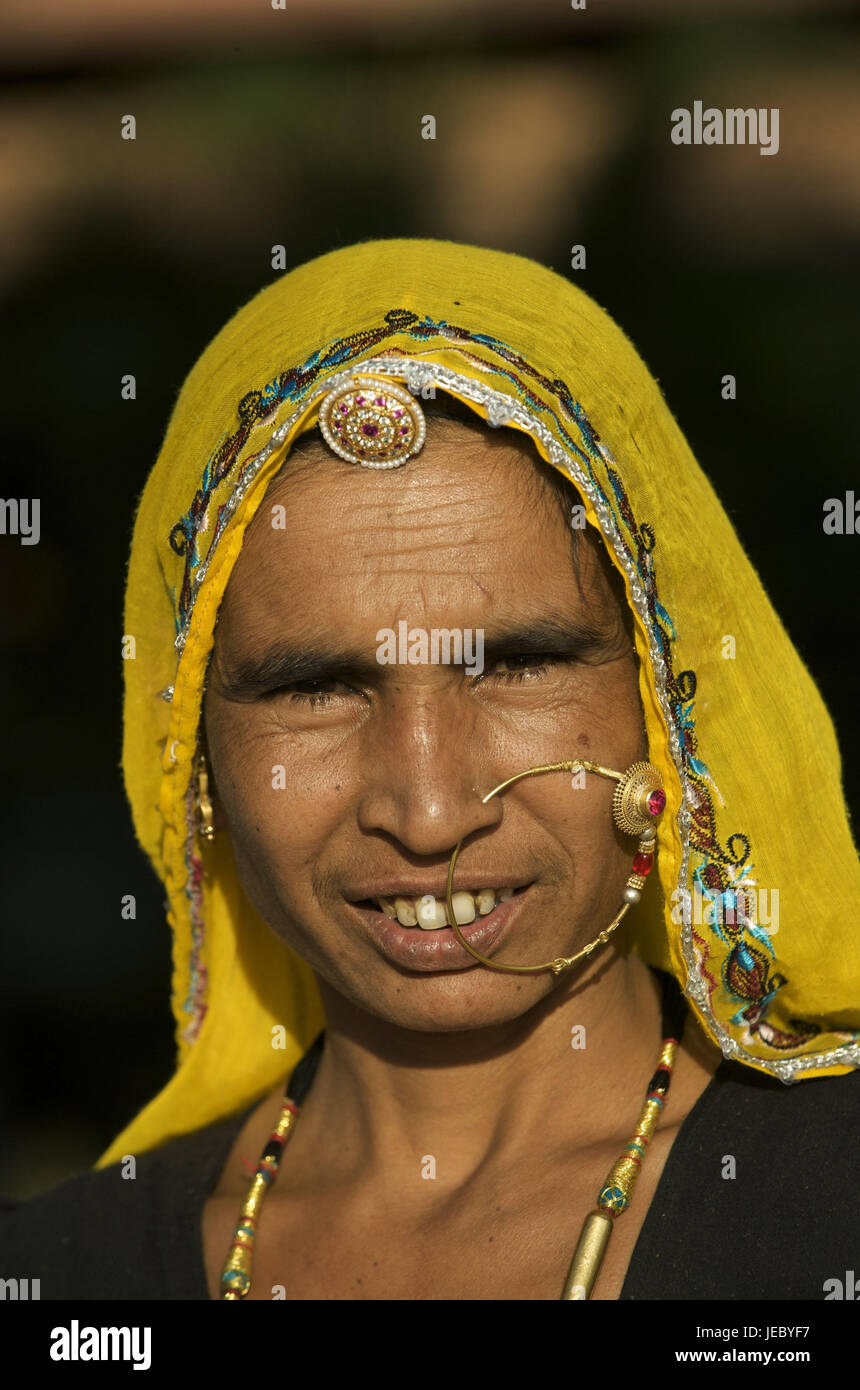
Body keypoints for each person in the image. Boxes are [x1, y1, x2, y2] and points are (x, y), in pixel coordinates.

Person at [2, 238, 859, 1301]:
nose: (428, 807)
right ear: (191, 757)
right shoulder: (64, 1277)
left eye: (517, 664)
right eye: (316, 688)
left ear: (667, 706)